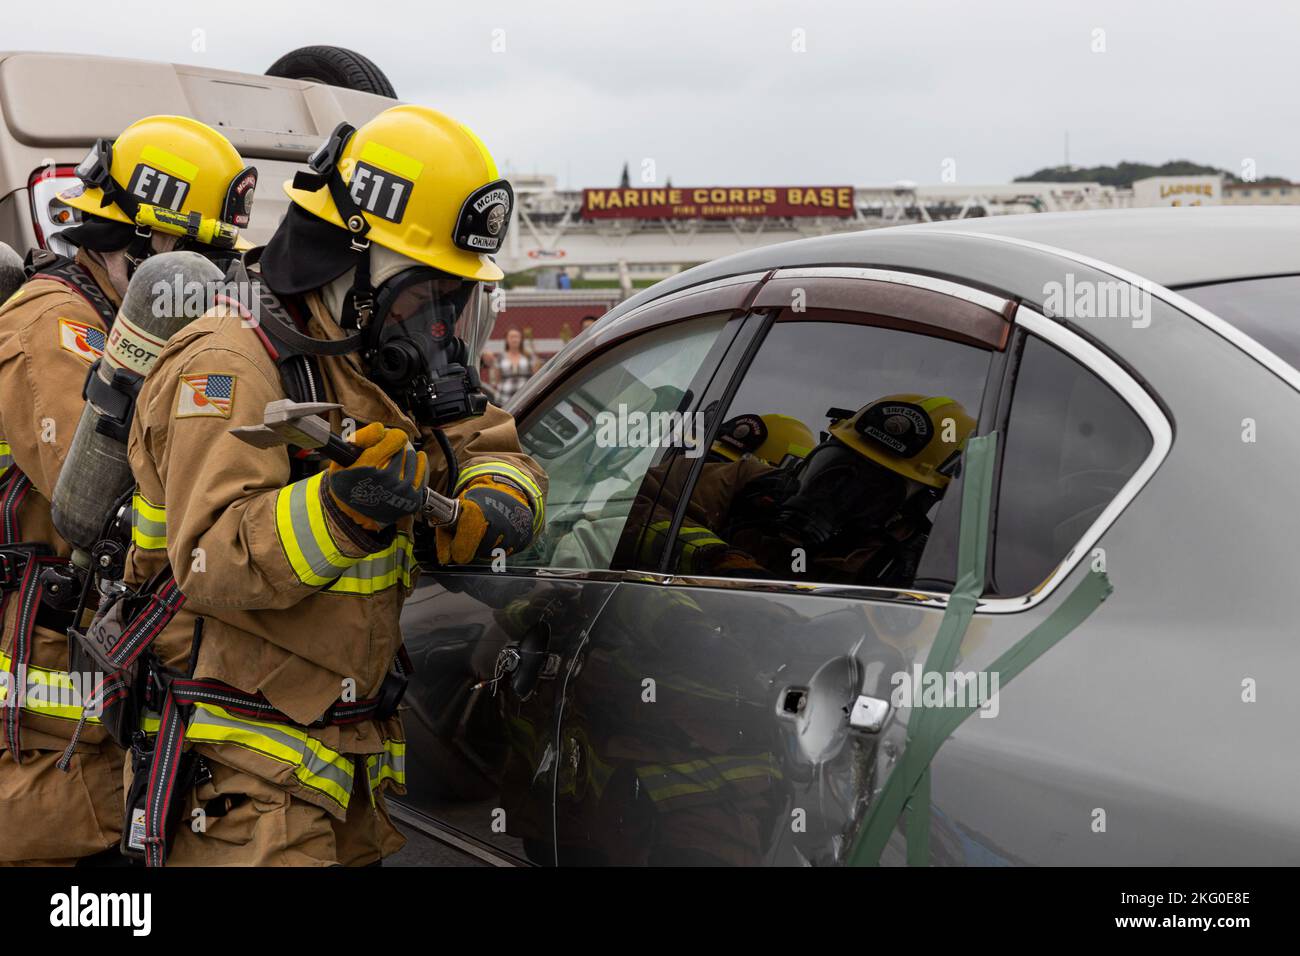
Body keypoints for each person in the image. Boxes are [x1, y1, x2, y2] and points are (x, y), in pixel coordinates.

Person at [112, 104, 546, 866]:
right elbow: (210, 559)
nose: (440, 327)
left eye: (454, 301)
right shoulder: (230, 364)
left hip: (342, 758)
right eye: (425, 296)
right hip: (239, 775)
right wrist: (342, 509)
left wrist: (498, 493)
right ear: (353, 266)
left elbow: (488, 440)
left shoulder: (368, 358)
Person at [0, 115, 256, 865]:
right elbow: (100, 502)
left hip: (97, 721)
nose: (215, 283)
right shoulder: (52, 327)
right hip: (53, 738)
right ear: (145, 248)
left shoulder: (108, 320)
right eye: (203, 258)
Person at [495, 325, 536, 402]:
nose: (514, 339)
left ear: (521, 339)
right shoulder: (500, 358)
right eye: (511, 337)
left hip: (524, 398)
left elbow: (535, 376)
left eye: (517, 337)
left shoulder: (528, 356)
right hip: (504, 398)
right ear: (506, 339)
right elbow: (497, 379)